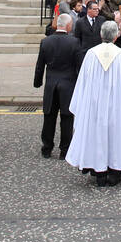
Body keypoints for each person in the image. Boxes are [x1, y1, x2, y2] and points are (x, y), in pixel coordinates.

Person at [66, 20, 121, 187]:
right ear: (116, 36)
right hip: (117, 106)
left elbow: (82, 82)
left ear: (101, 35)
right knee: (117, 135)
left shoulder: (91, 55)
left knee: (96, 134)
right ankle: (115, 172)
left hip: (95, 105)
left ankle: (98, 172)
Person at [34, 12, 81, 158]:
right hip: (68, 84)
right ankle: (65, 150)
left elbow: (40, 65)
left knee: (49, 117)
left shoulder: (46, 41)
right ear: (67, 26)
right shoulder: (74, 42)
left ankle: (47, 148)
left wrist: (37, 82)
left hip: (51, 84)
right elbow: (79, 66)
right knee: (66, 118)